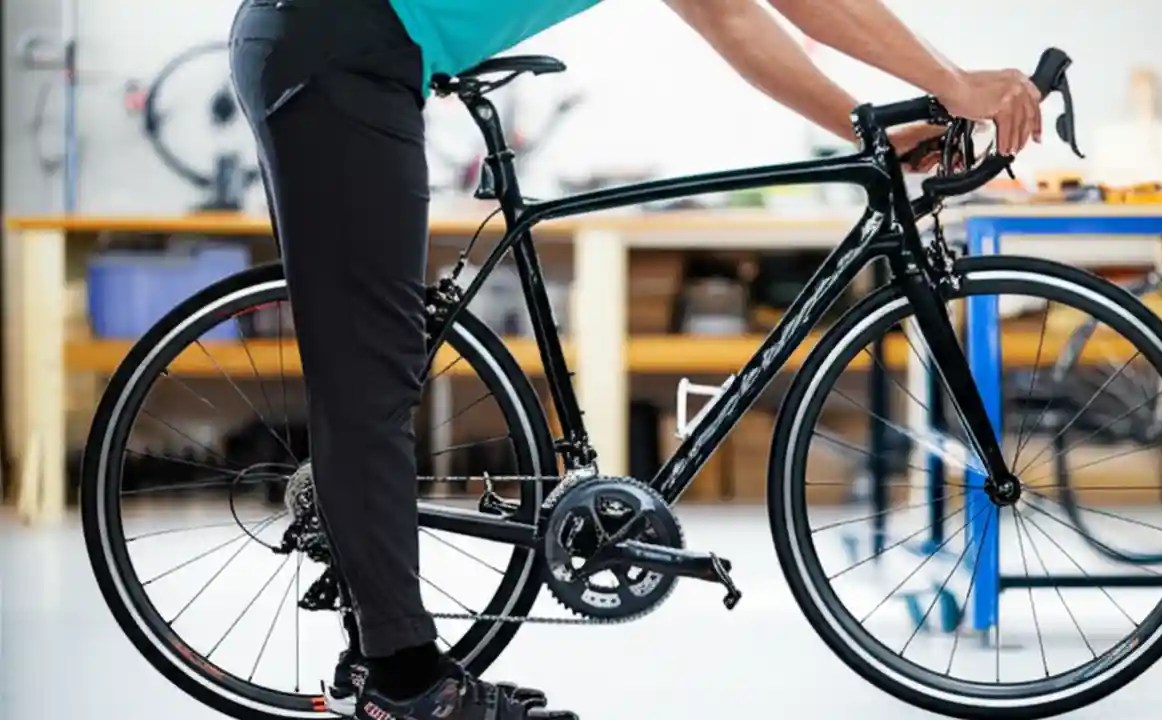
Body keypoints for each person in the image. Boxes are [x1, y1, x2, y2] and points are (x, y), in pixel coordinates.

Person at [228, 1, 1043, 719]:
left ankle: (380, 654)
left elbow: (725, 9)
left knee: (375, 368)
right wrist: (954, 80)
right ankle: (401, 682)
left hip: (361, 49)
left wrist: (864, 127)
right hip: (338, 42)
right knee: (369, 380)